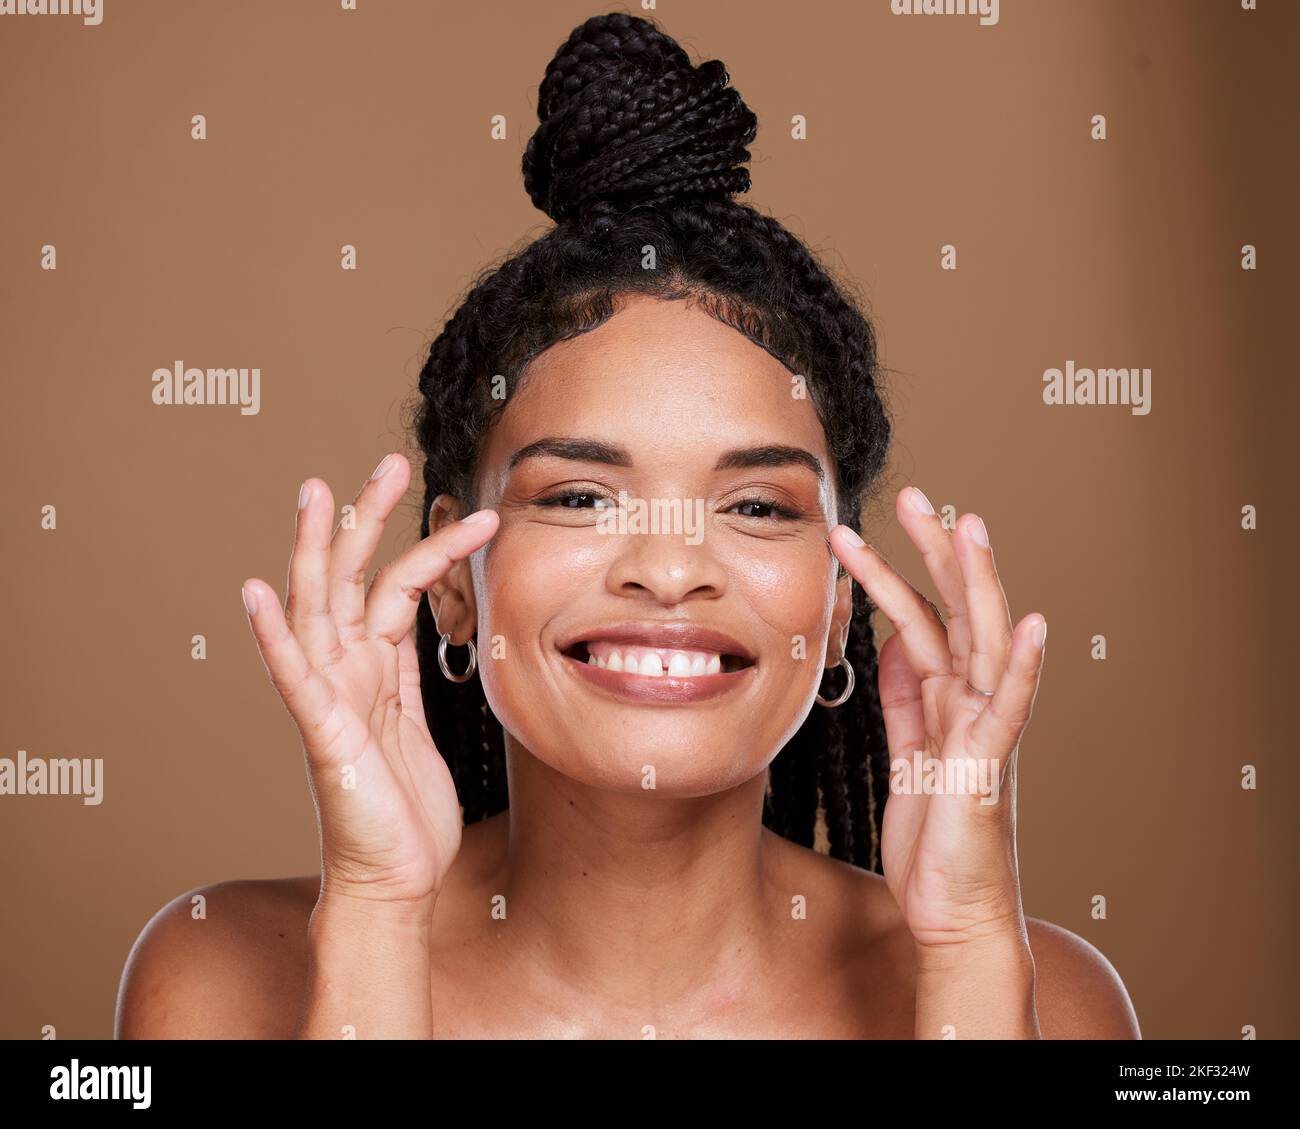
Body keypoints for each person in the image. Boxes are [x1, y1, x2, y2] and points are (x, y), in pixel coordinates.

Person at [116, 11, 1139, 1039]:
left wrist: (964, 947)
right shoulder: (221, 977)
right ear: (452, 584)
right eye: (578, 496)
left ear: (838, 609)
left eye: (754, 506)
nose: (667, 568)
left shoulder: (1044, 994)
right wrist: (378, 912)